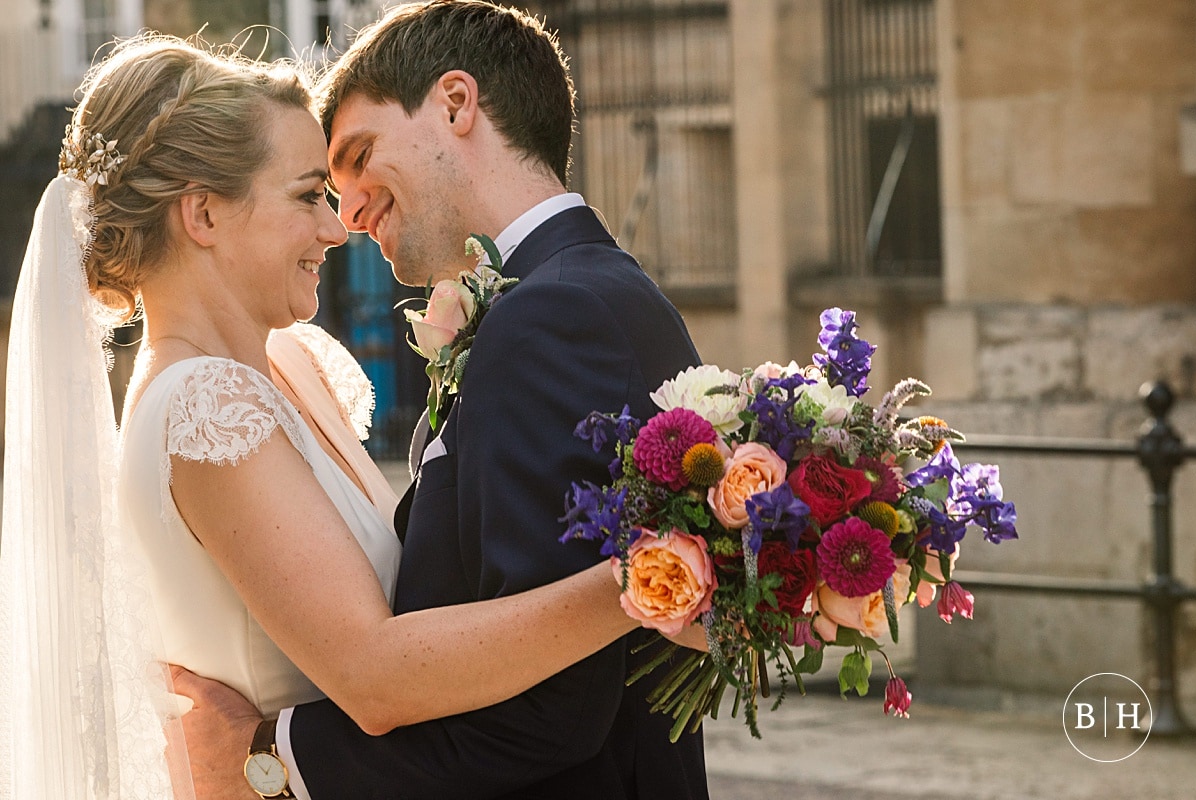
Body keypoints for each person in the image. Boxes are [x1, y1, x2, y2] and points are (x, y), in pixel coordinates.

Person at [0, 32, 662, 800]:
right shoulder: (201, 406)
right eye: (308, 194)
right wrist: (646, 580)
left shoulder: (297, 366)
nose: (337, 227)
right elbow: (376, 675)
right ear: (204, 214)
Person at [175, 2, 710, 798]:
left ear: (455, 105)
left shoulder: (551, 317)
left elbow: (548, 709)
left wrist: (269, 760)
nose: (349, 216)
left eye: (360, 157)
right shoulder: (584, 294)